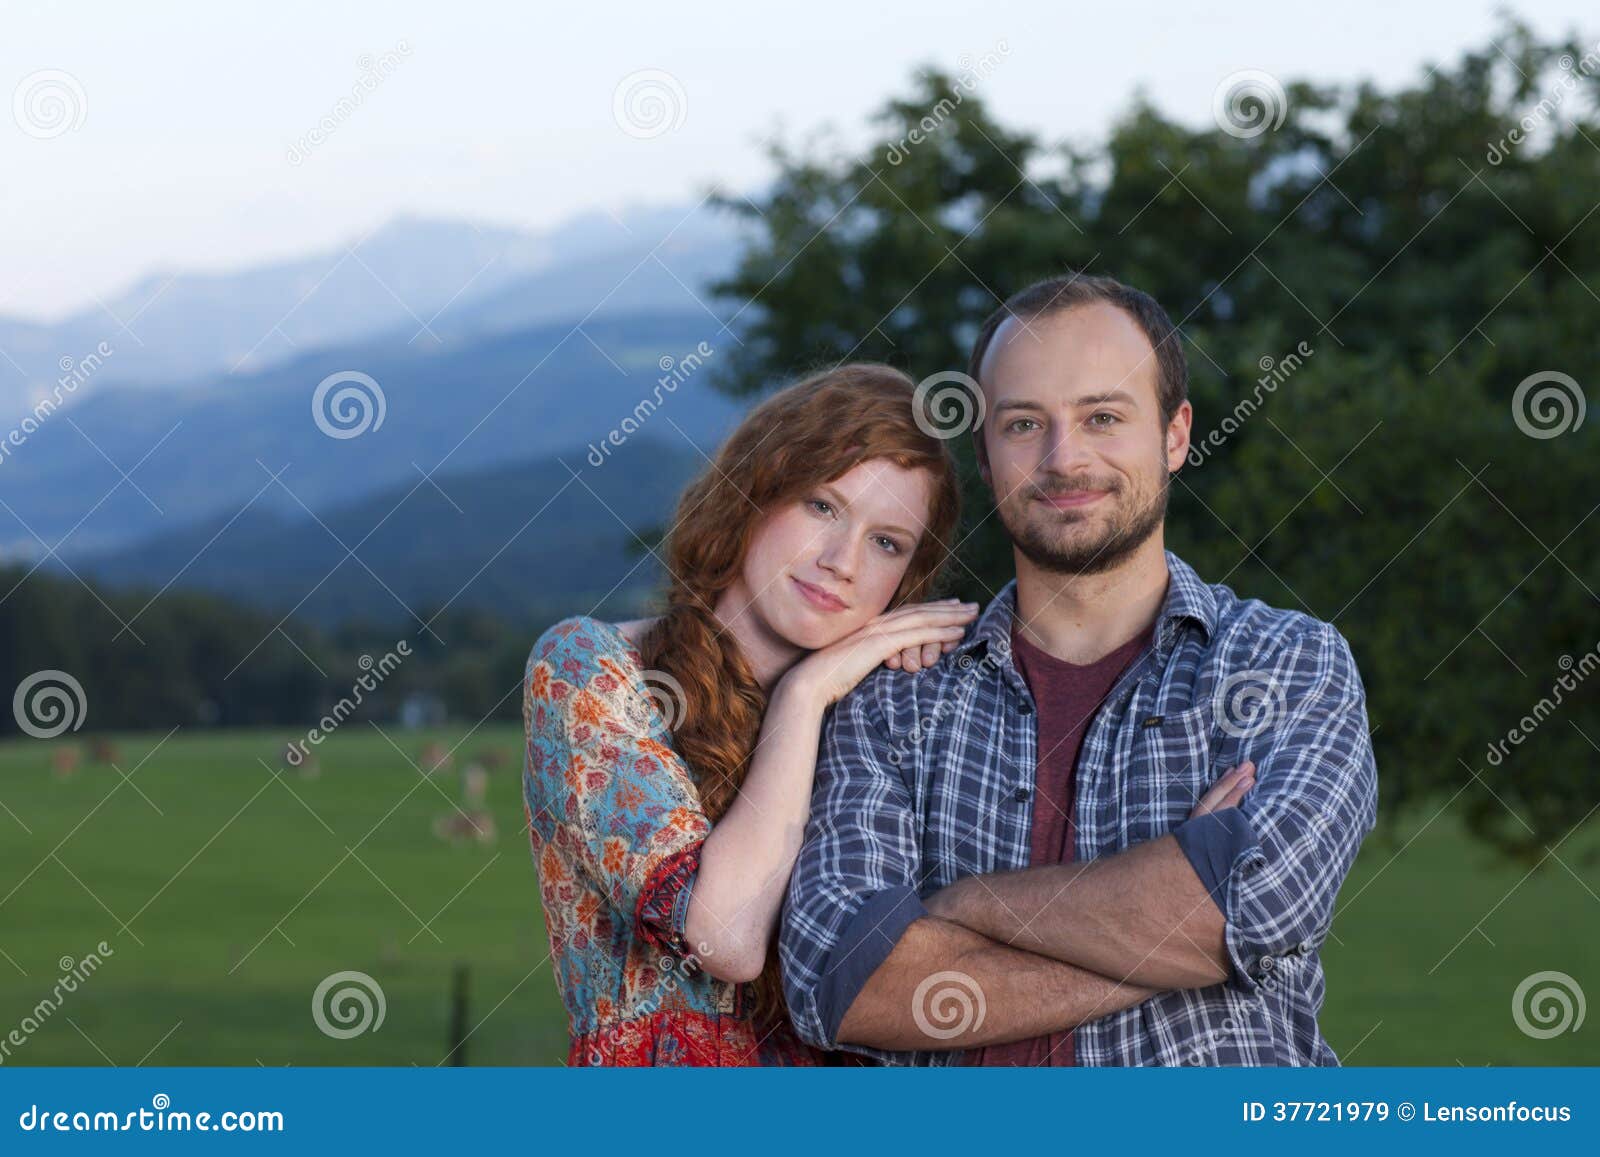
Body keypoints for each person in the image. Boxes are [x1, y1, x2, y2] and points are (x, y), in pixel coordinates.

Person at [780, 273, 1379, 1066]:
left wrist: (961, 904)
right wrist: (1170, 930)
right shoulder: (895, 692)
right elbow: (843, 982)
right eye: (1025, 423)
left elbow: (1256, 909)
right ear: (987, 456)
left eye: (1103, 416)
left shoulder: (1287, 664)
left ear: (1174, 434)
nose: (1066, 459)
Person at [521, 363, 976, 1065]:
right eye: (823, 506)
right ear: (754, 491)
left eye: (886, 542)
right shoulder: (589, 667)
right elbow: (726, 938)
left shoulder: (884, 712)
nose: (842, 561)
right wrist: (803, 696)